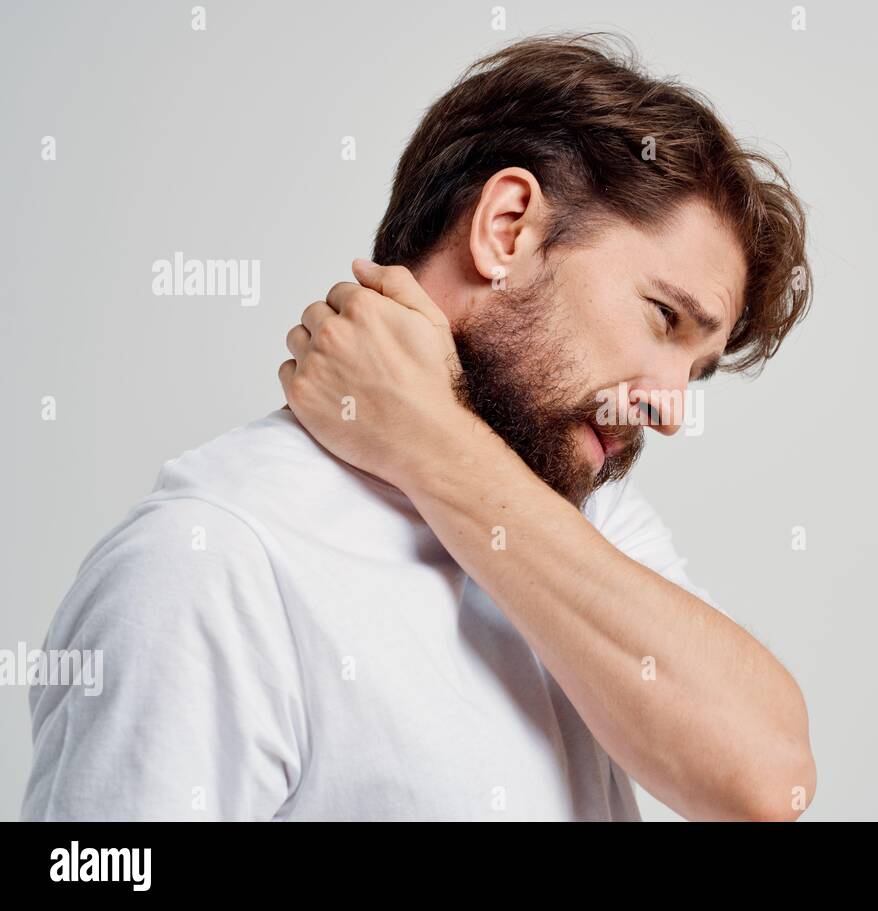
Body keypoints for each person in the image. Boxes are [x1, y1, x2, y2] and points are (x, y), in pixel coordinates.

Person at [23, 33, 815, 822]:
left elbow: (767, 781)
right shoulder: (211, 561)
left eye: (696, 370)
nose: (672, 410)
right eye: (664, 316)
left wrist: (431, 439)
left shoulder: (587, 518)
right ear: (508, 228)